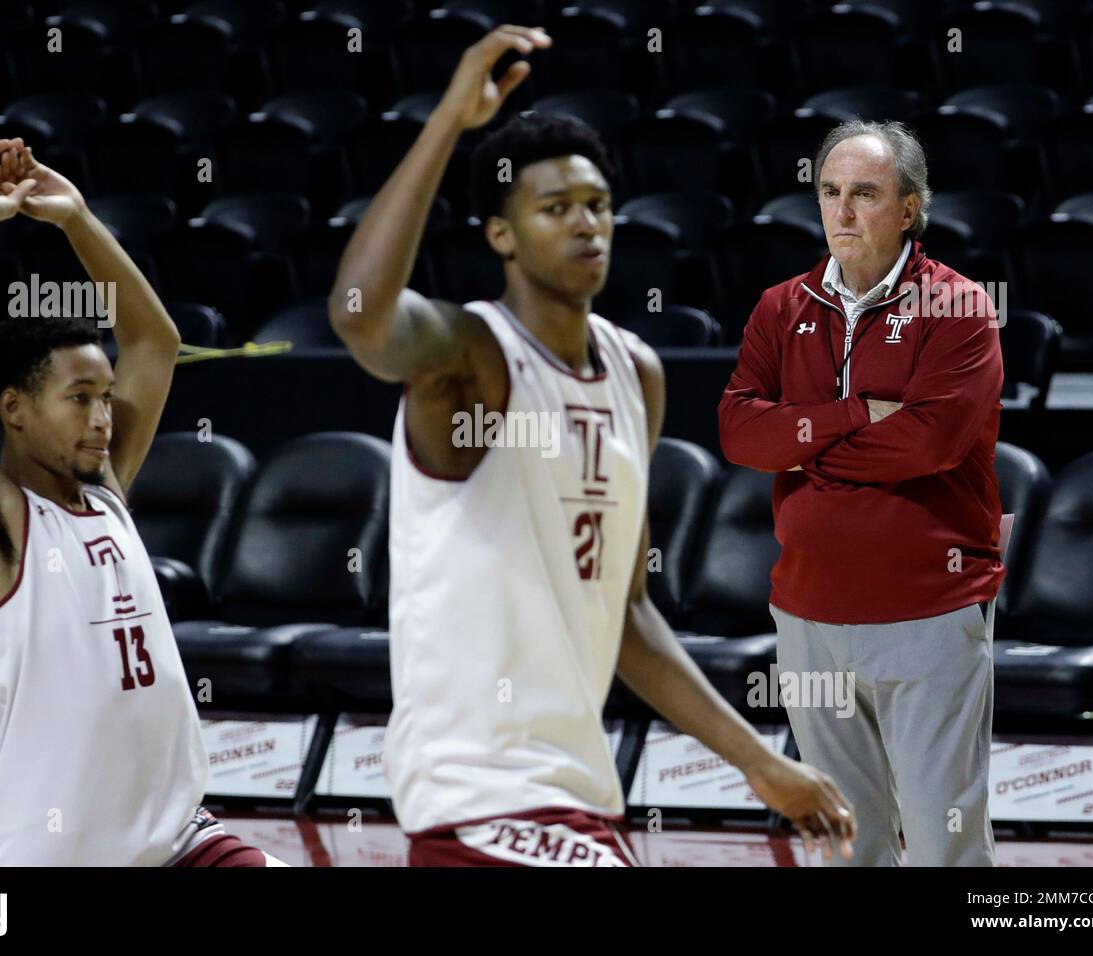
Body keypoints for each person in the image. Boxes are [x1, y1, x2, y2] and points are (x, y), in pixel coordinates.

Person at [330, 25, 856, 867]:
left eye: (598, 205)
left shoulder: (633, 371)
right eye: (554, 209)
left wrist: (761, 763)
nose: (586, 225)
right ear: (500, 235)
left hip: (580, 796)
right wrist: (446, 126)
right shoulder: (472, 356)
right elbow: (359, 312)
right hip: (479, 797)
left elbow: (627, 613)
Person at [0, 138, 282, 866]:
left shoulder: (104, 492)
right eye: (79, 399)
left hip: (181, 843)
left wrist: (76, 219)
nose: (104, 418)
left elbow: (156, 341)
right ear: (14, 408)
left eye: (105, 397)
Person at [717, 120, 1005, 866]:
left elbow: (927, 444)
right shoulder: (782, 306)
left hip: (928, 611)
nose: (842, 211)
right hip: (806, 611)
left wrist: (802, 444)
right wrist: (850, 416)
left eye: (865, 194)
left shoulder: (960, 307)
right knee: (843, 843)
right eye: (830, 192)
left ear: (909, 208)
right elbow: (740, 434)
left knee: (945, 841)